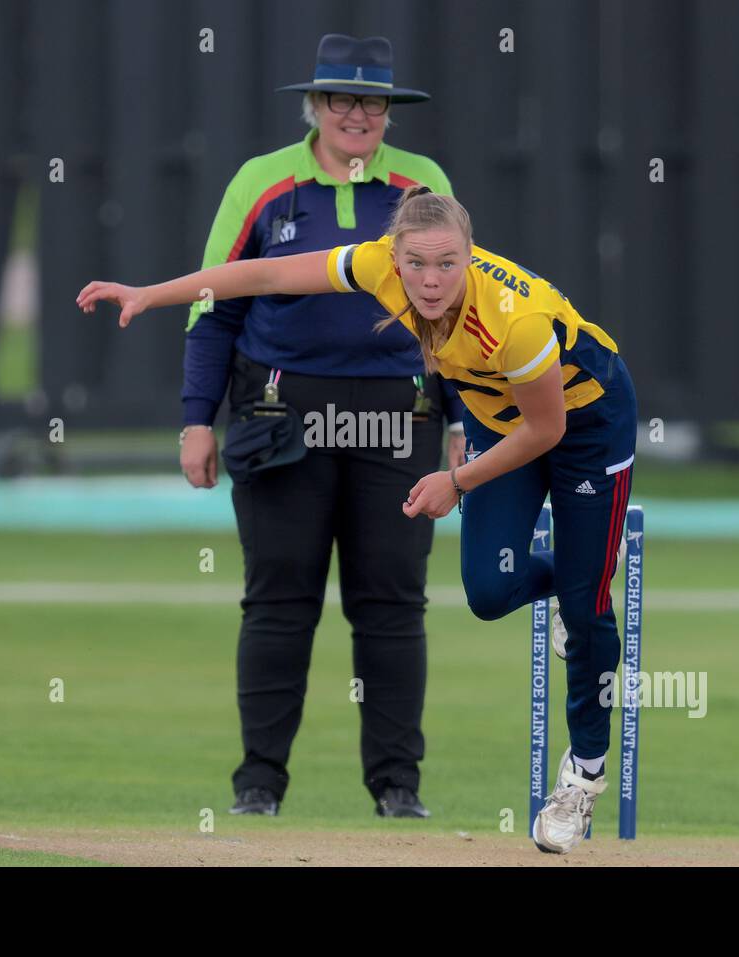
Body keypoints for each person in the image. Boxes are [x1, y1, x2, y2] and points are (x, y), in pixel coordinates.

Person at [78, 186, 638, 855]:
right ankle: (584, 574)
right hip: (500, 420)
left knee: (587, 611)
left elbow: (546, 430)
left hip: (585, 421)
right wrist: (150, 294)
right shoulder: (376, 265)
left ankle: (582, 776)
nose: (430, 281)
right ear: (395, 258)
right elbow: (265, 275)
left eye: (448, 264)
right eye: (417, 264)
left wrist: (455, 480)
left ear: (469, 257)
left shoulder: (514, 322)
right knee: (491, 593)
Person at [177, 34, 465, 819]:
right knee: (278, 597)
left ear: (389, 111)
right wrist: (197, 419)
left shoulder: (422, 185)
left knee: (393, 599)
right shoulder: (263, 182)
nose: (357, 115)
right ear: (315, 105)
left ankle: (397, 785)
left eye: (372, 102)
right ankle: (259, 783)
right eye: (342, 99)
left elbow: (456, 307)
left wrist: (463, 419)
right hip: (282, 411)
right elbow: (214, 302)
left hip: (400, 413)